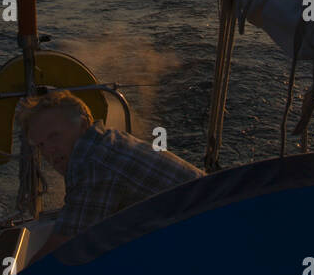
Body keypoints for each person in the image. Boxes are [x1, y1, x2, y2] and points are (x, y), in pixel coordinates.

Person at [17, 89, 204, 258]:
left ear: (83, 125)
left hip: (207, 233)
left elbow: (64, 248)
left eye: (54, 136)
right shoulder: (106, 141)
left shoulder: (93, 164)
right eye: (40, 145)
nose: (48, 150)